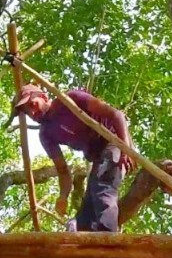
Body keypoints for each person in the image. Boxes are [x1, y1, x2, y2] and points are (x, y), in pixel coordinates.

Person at [10, 83, 136, 232]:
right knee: (87, 211)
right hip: (97, 156)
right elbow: (63, 170)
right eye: (27, 112)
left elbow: (116, 115)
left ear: (44, 97)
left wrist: (126, 150)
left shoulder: (70, 99)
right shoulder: (46, 134)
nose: (32, 113)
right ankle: (84, 238)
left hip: (114, 141)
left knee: (102, 186)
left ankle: (109, 237)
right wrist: (63, 196)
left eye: (33, 105)